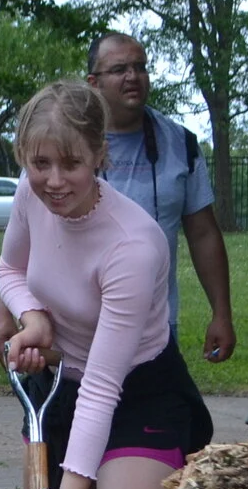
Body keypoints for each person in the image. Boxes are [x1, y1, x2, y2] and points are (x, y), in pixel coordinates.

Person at [0, 80, 211, 489]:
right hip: (61, 387)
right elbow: (10, 268)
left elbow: (106, 389)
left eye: (72, 164)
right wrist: (31, 315)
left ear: (99, 157)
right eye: (39, 164)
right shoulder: (30, 196)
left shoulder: (133, 244)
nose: (54, 180)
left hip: (139, 395)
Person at [84, 32, 238, 364]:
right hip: (77, 329)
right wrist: (6, 313)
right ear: (93, 82)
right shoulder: (65, 141)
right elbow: (27, 234)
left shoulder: (180, 142)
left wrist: (221, 313)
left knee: (162, 417)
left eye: (140, 67)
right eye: (120, 69)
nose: (133, 77)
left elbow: (203, 233)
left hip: (156, 329)